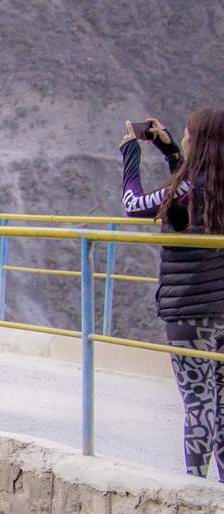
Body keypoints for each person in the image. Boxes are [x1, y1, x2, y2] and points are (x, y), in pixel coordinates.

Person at [121, 109, 224, 478]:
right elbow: (187, 196)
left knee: (199, 401)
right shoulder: (210, 184)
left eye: (185, 135)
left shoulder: (190, 186)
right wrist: (169, 155)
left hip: (190, 312)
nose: (181, 139)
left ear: (198, 142)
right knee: (222, 403)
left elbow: (134, 206)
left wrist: (131, 153)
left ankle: (195, 488)